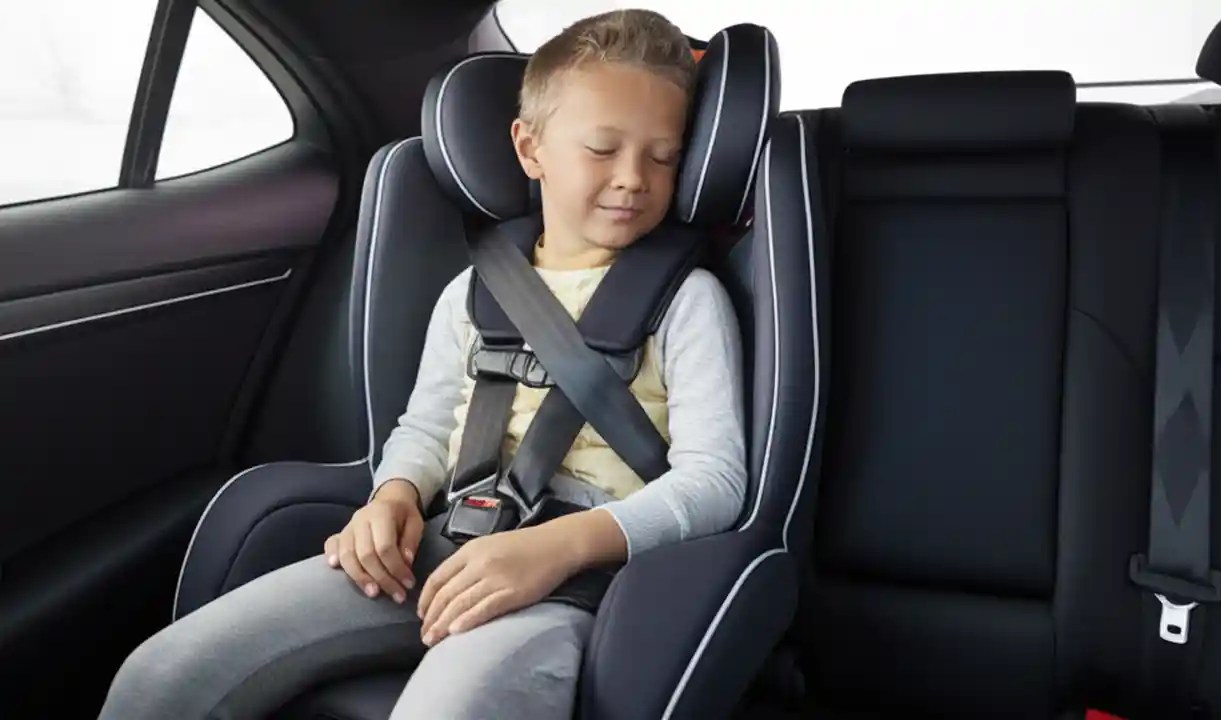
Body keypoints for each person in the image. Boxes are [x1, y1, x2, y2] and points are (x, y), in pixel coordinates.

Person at [97, 8, 746, 719]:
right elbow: (427, 426)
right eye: (601, 148)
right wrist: (394, 497)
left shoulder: (689, 300)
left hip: (582, 576)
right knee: (161, 674)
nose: (634, 178)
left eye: (663, 157)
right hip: (447, 541)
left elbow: (715, 480)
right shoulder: (475, 290)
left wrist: (558, 549)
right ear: (531, 149)